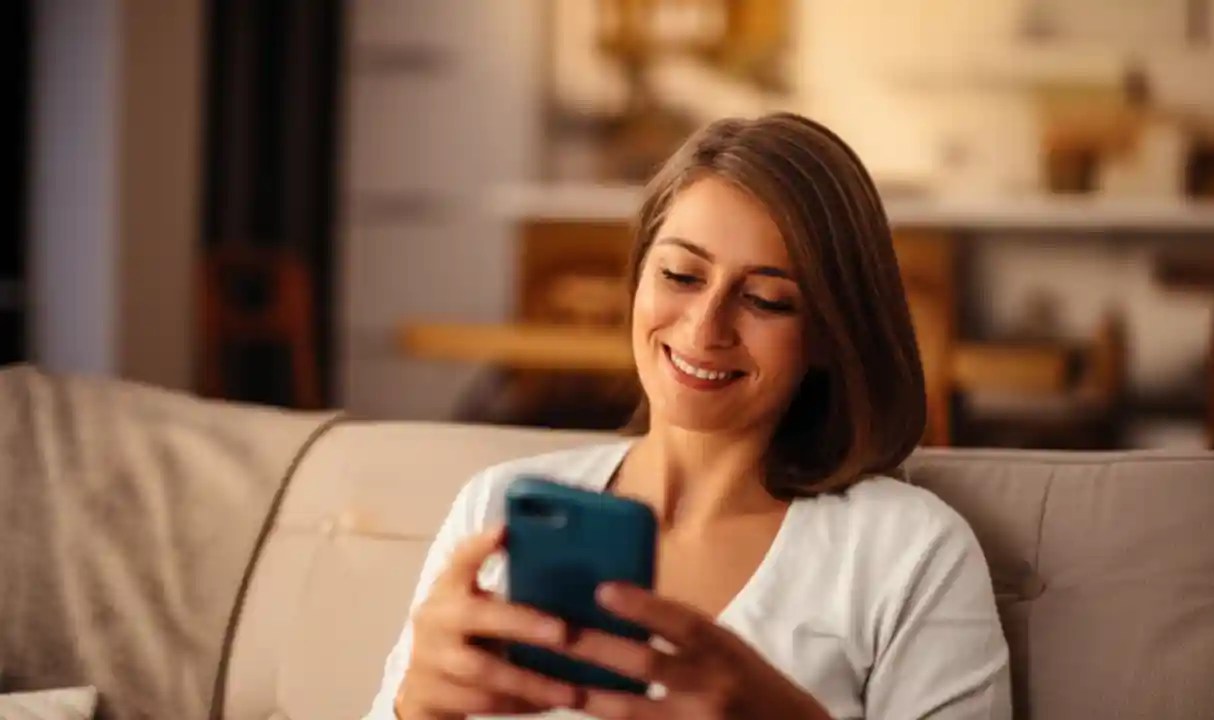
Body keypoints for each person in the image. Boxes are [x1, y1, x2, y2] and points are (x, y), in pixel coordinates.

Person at [367, 113, 1010, 720]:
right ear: (639, 277)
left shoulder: (908, 552)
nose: (705, 328)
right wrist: (412, 708)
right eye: (680, 274)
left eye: (765, 299)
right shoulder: (497, 508)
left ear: (827, 335)